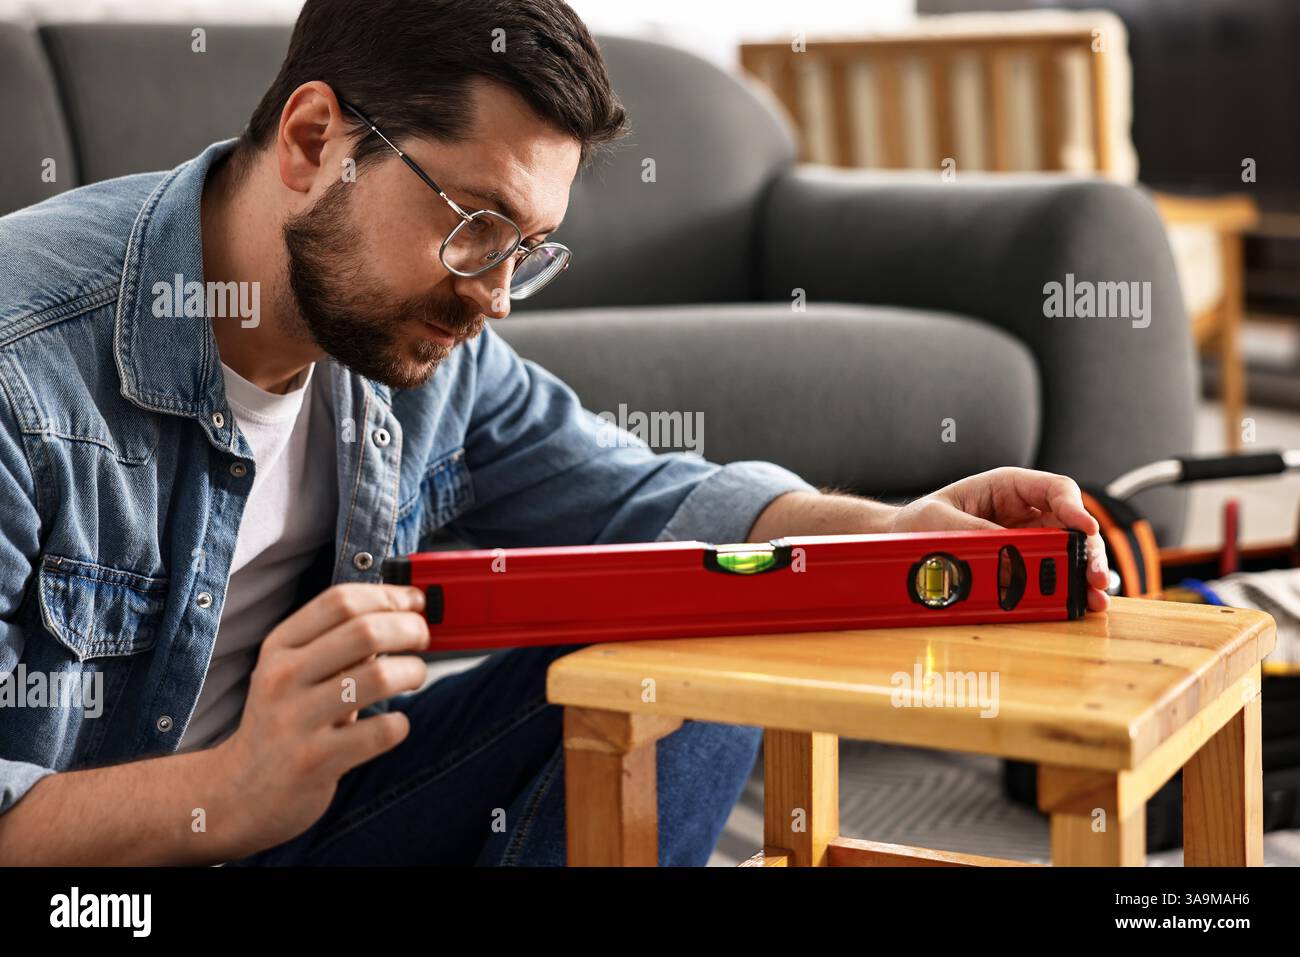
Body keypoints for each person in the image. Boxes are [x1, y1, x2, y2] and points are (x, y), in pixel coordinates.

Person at [0, 0, 1109, 865]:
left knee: (705, 618)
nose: (497, 298)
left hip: (289, 828)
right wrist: (228, 793)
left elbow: (660, 501)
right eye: (477, 226)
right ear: (313, 140)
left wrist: (896, 530)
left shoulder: (423, 356)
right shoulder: (22, 373)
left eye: (528, 247)